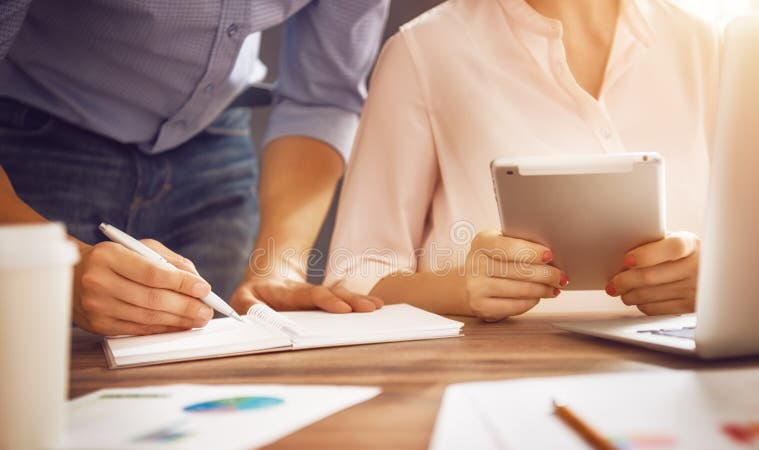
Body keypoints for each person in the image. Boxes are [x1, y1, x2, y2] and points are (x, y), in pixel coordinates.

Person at [0, 0, 387, 335]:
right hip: (33, 131)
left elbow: (321, 99)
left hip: (214, 135)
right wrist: (59, 268)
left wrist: (278, 268)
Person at [324, 0, 718, 321]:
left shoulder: (704, 44)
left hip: (680, 378)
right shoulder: (424, 49)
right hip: (489, 376)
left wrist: (716, 280)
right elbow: (354, 272)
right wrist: (457, 288)